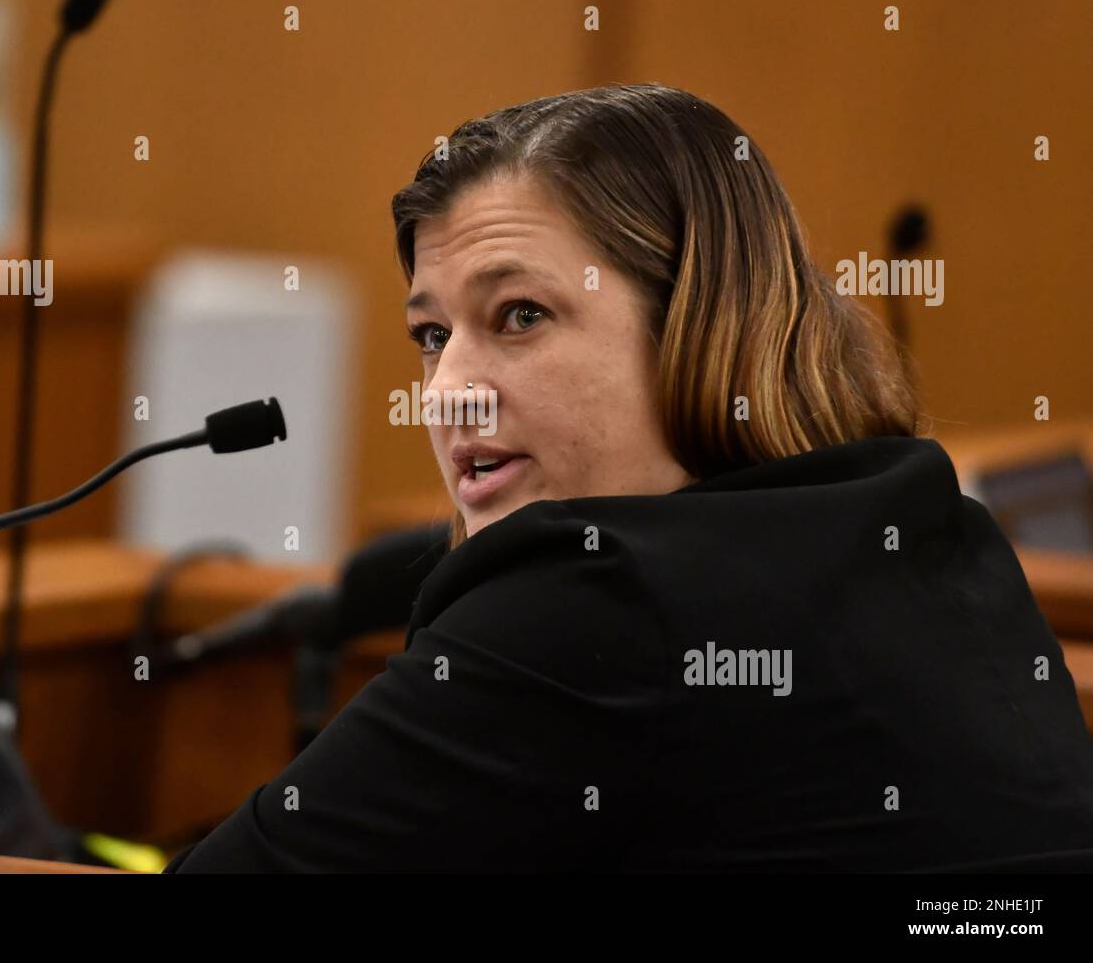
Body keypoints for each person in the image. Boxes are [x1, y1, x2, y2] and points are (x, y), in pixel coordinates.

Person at [166, 83, 1093, 872]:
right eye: (432, 336)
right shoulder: (931, 531)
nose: (446, 393)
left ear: (695, 323)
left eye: (520, 315)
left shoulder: (593, 604)